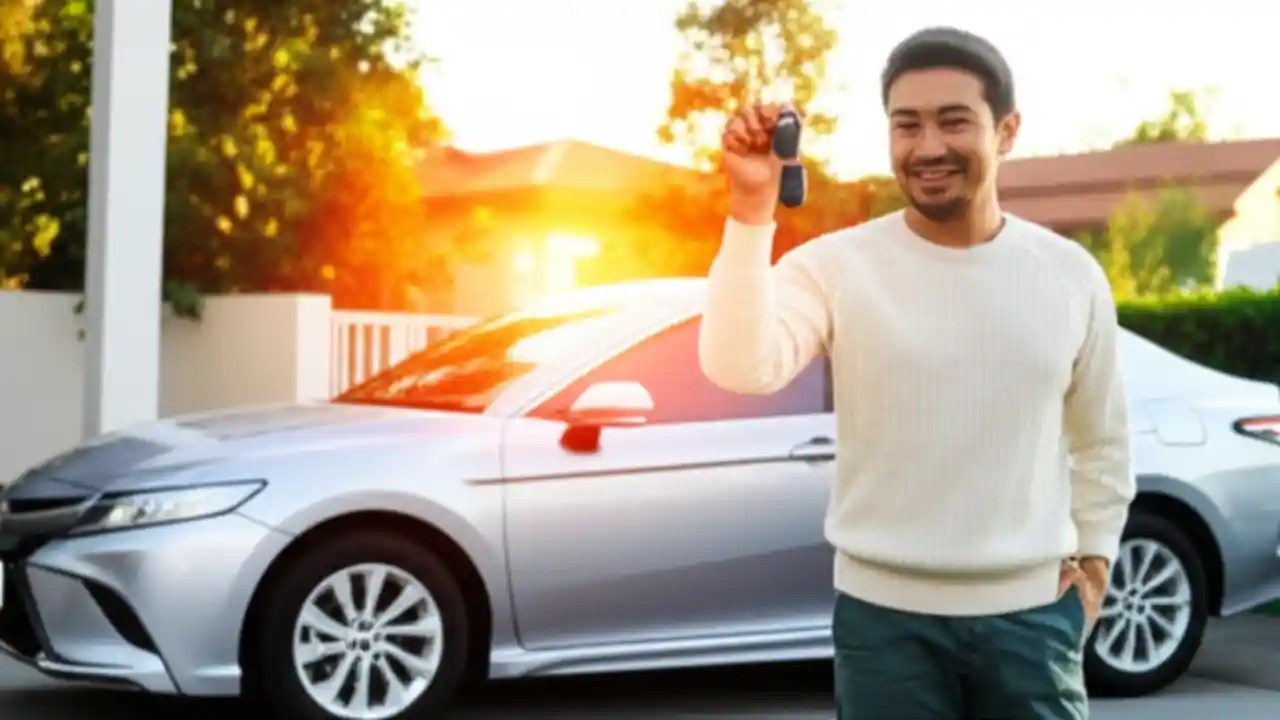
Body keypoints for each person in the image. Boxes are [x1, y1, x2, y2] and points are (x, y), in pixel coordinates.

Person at [698, 26, 1136, 719]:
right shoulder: (836, 266)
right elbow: (738, 366)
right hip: (884, 627)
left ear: (1008, 130)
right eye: (907, 126)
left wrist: (1097, 564)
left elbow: (1102, 442)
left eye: (954, 121)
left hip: (1031, 622)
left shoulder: (1069, 275)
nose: (928, 146)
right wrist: (751, 207)